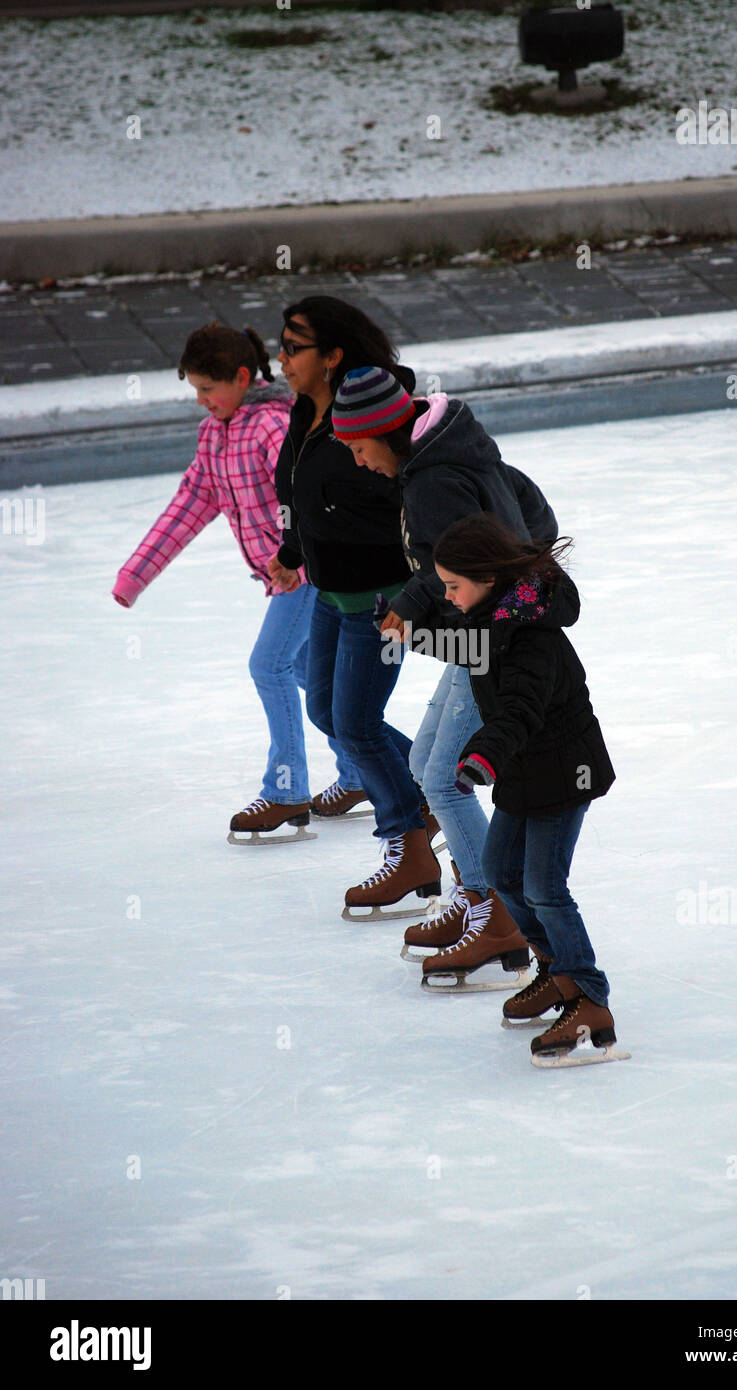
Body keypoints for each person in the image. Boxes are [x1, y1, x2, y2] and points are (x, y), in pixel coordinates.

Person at [330, 366, 556, 965]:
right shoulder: (458, 451)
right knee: (423, 762)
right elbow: (528, 506)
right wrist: (531, 565)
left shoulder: (434, 480)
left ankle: (498, 916)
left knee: (442, 780)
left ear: (384, 431)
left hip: (490, 643)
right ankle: (479, 894)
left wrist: (413, 602)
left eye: (357, 447)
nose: (357, 462)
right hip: (482, 635)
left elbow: (463, 556)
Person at [112, 321, 358, 842]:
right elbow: (188, 507)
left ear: (242, 377)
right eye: (195, 390)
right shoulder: (215, 437)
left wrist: (299, 556)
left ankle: (288, 791)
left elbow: (310, 497)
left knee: (270, 664)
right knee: (310, 674)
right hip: (287, 576)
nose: (201, 400)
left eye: (207, 388)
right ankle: (363, 770)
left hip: (307, 572)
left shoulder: (272, 427)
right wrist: (136, 574)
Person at [425, 513, 618, 1065]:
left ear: (487, 578)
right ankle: (557, 973)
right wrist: (407, 629)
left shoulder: (529, 635)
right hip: (523, 772)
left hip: (561, 772)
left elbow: (520, 709)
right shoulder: (491, 616)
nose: (447, 595)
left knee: (543, 886)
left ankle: (588, 998)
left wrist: (483, 756)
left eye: (453, 585)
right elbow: (458, 638)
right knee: (502, 872)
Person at [268, 300, 441, 915]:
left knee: (357, 723)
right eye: (281, 346)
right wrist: (292, 551)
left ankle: (409, 846)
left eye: (294, 347)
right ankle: (423, 794)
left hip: (383, 598)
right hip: (330, 591)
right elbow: (299, 491)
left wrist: (412, 592)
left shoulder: (368, 414)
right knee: (326, 709)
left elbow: (404, 501)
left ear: (333, 355)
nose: (281, 359)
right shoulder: (305, 411)